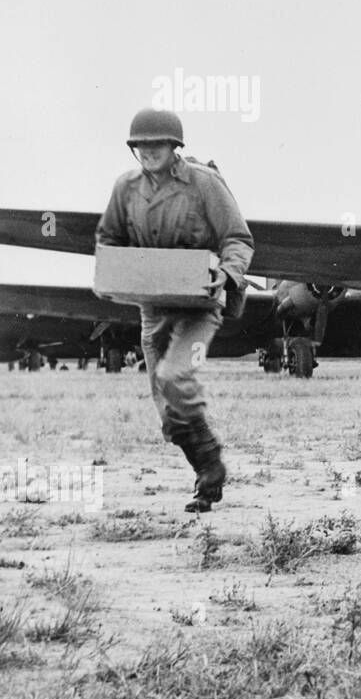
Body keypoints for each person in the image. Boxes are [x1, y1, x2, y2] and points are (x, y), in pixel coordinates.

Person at [95, 108, 253, 513]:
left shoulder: (204, 184)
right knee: (166, 408)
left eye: (157, 144)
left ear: (174, 146)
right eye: (141, 145)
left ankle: (211, 462)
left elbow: (237, 238)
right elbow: (109, 237)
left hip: (201, 308)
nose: (148, 152)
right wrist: (115, 270)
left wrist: (230, 273)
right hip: (154, 308)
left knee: (175, 374)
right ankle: (206, 474)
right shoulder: (125, 188)